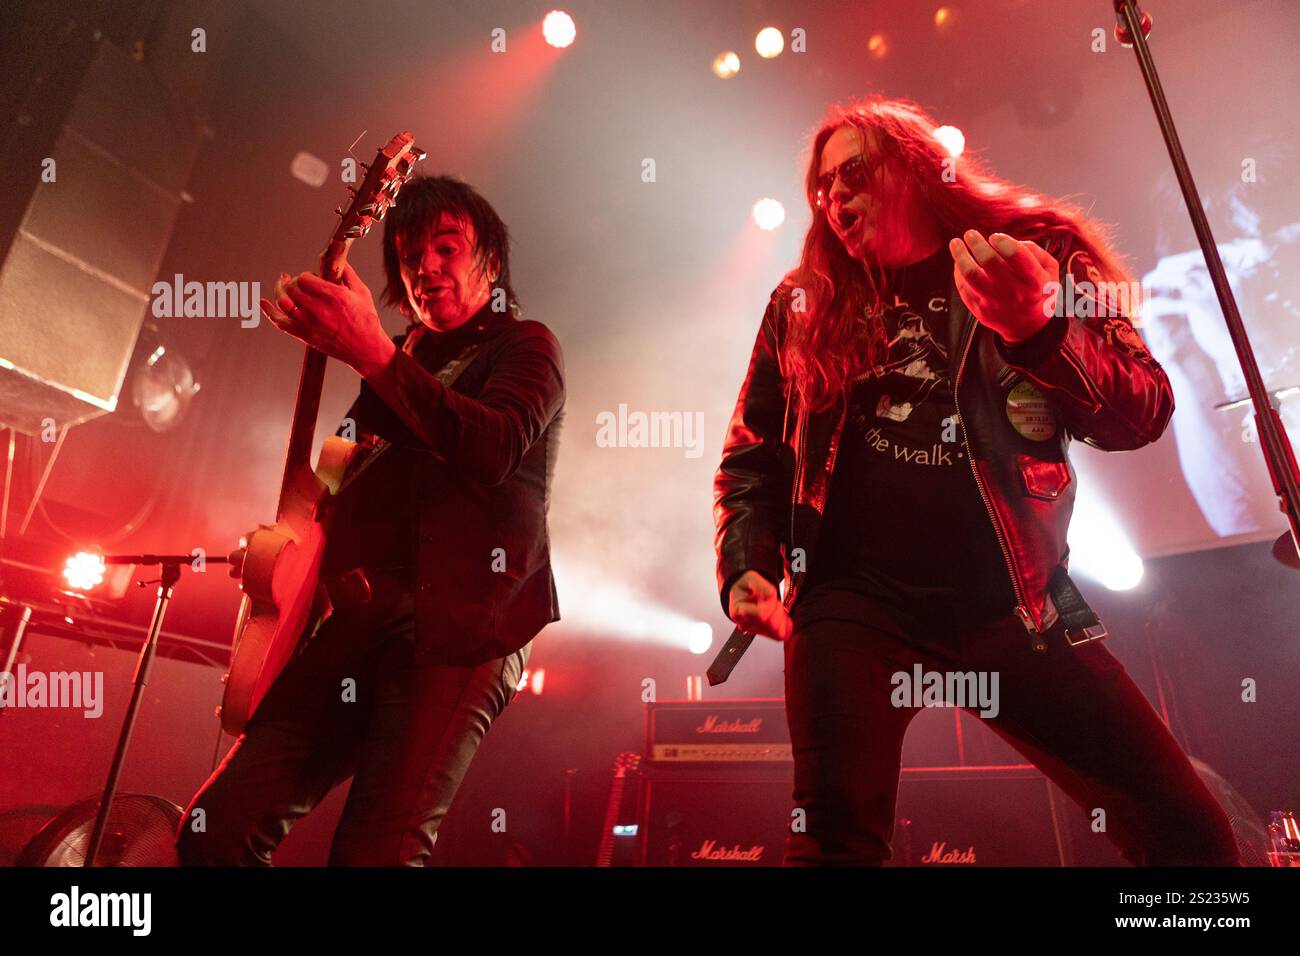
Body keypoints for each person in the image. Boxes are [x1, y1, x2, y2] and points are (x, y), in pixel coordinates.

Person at [713, 95, 1239, 866]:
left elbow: (1141, 412)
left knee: (1188, 835)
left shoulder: (1036, 251)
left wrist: (1042, 331)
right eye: (822, 188)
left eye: (854, 172)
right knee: (832, 842)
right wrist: (745, 564)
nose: (834, 198)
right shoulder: (805, 301)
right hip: (853, 604)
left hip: (1015, 599)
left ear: (918, 166)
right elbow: (754, 455)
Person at [177, 175, 565, 866]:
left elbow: (492, 447)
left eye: (447, 247)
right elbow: (335, 475)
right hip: (358, 620)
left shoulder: (527, 347)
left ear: (490, 264)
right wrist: (288, 541)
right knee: (215, 830)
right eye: (410, 254)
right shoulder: (401, 360)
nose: (426, 267)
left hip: (461, 630)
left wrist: (373, 353)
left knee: (376, 856)